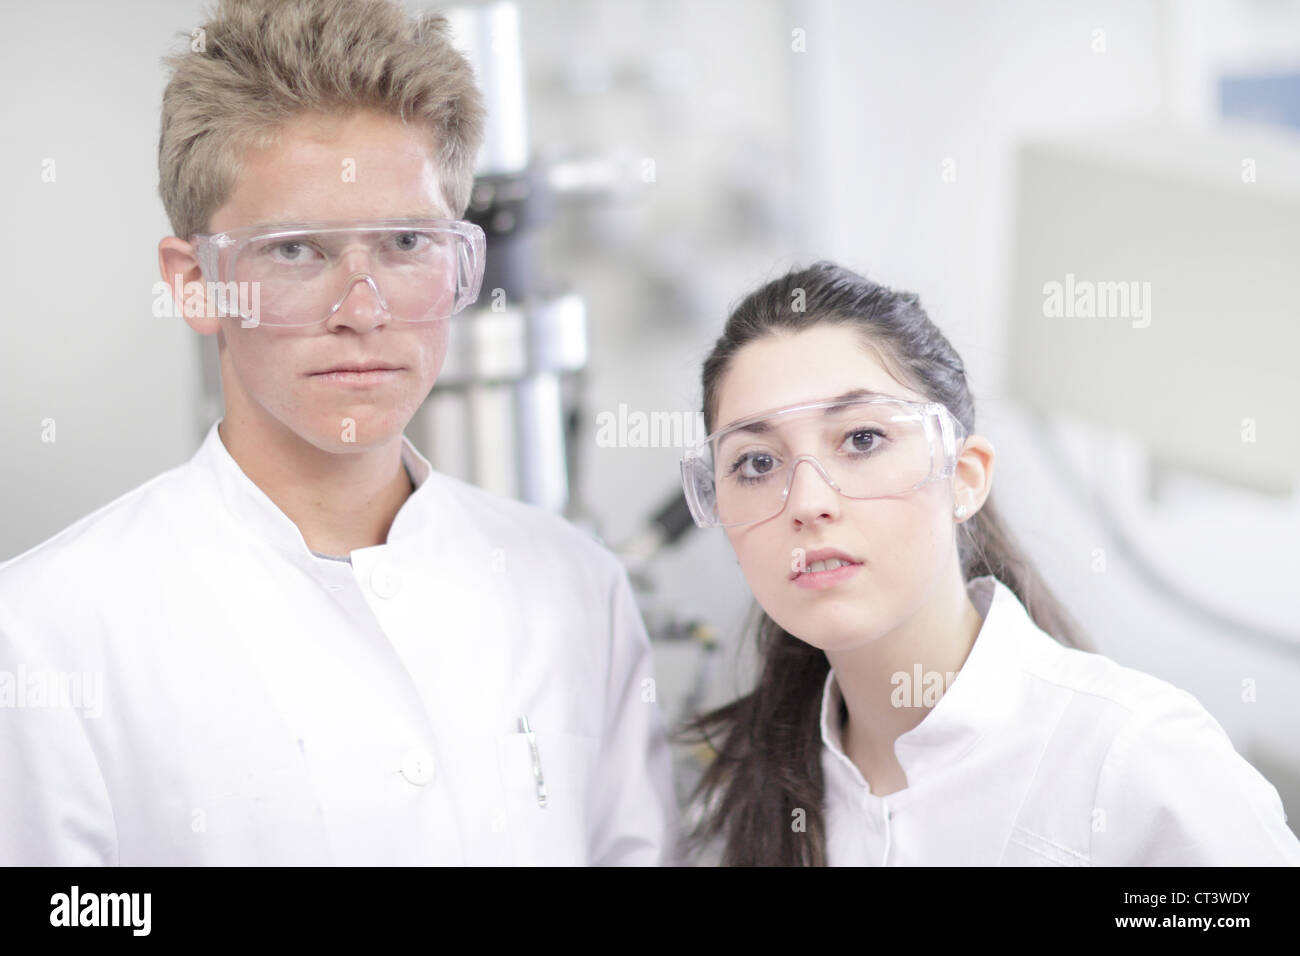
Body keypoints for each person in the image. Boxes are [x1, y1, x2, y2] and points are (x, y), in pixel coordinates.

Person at [0, 0, 676, 866]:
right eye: (295, 251)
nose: (363, 310)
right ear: (196, 283)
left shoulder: (576, 589)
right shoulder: (50, 633)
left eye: (405, 242)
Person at [676, 260, 1300, 866]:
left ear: (964, 478)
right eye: (757, 463)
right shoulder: (740, 794)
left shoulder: (1135, 758)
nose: (807, 502)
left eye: (862, 439)